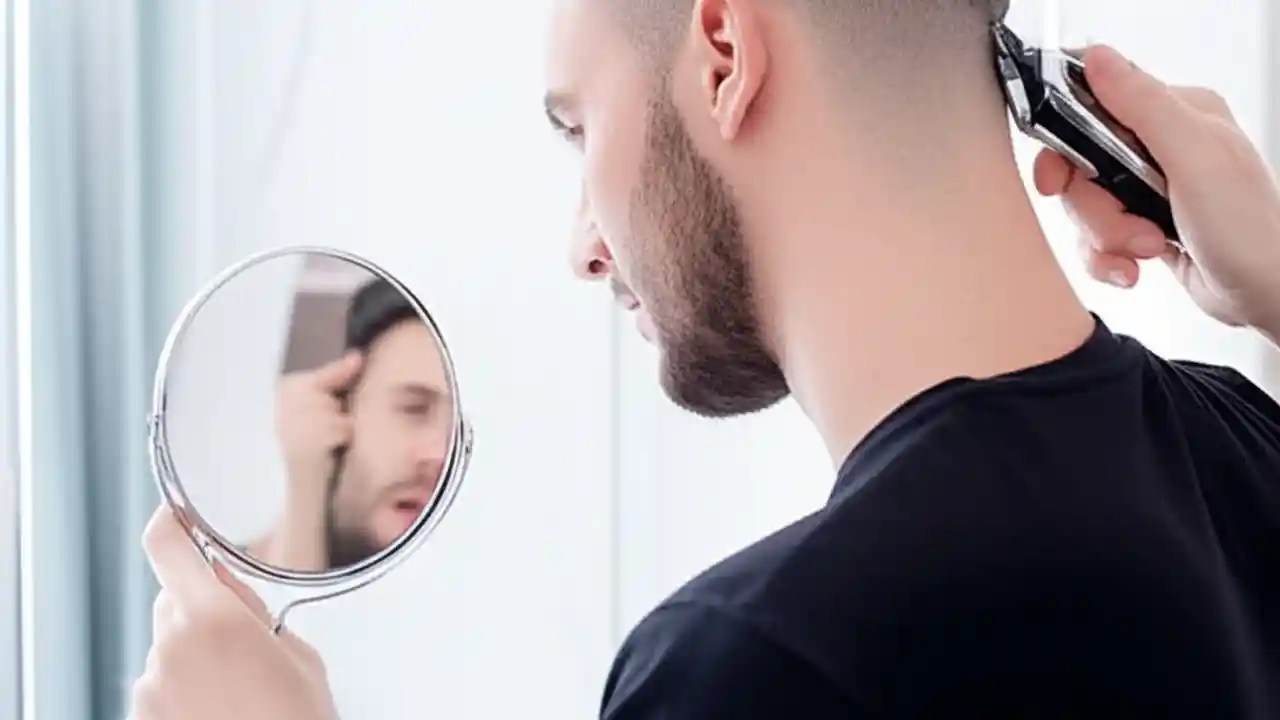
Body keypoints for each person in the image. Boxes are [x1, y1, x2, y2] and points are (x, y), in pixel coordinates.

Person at [130, 1, 1280, 717]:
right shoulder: (1249, 448)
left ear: (721, 50)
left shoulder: (761, 663)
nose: (585, 248)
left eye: (579, 129)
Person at [249, 279, 453, 572]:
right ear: (338, 405)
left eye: (460, 430)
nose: (440, 455)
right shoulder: (224, 580)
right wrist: (304, 485)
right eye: (414, 409)